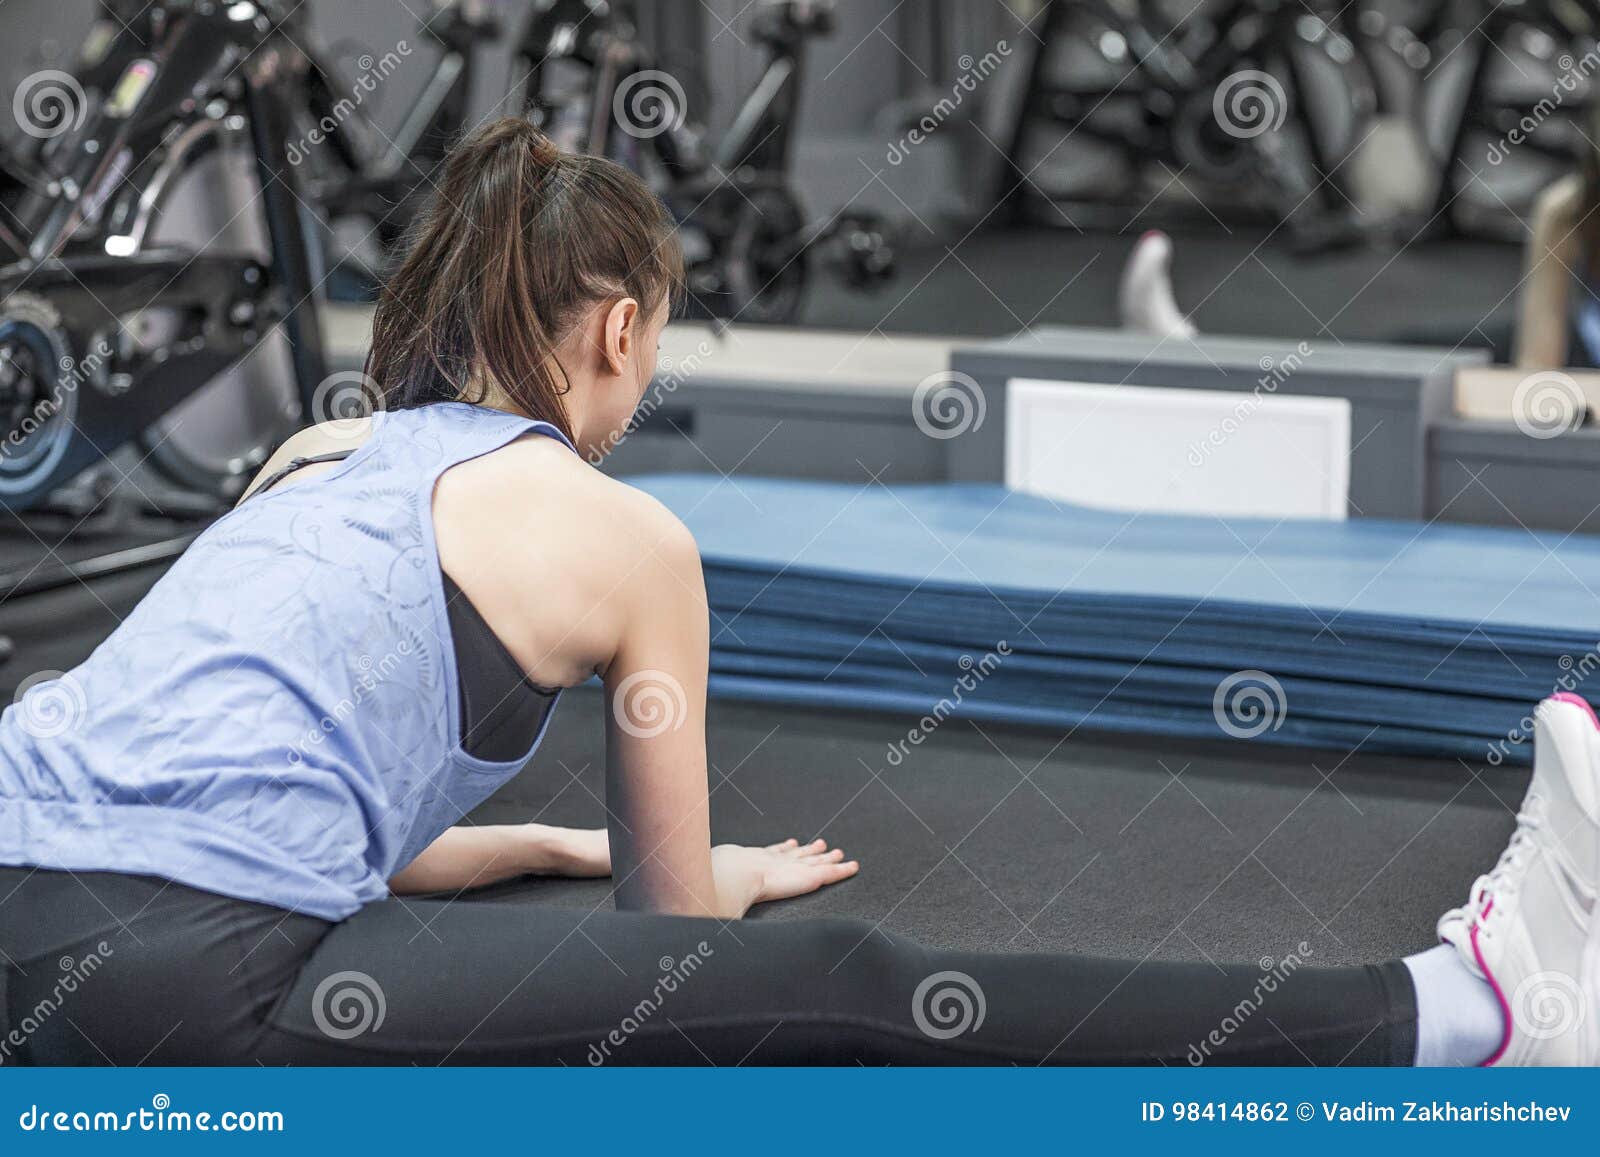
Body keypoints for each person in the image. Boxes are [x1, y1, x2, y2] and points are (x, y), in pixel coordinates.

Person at [0, 119, 1594, 1067]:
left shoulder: (312, 456)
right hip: (184, 995)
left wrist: (547, 840)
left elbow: (283, 795)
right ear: (620, 329)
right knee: (841, 989)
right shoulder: (627, 539)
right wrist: (702, 879)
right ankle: (1461, 1012)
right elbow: (674, 944)